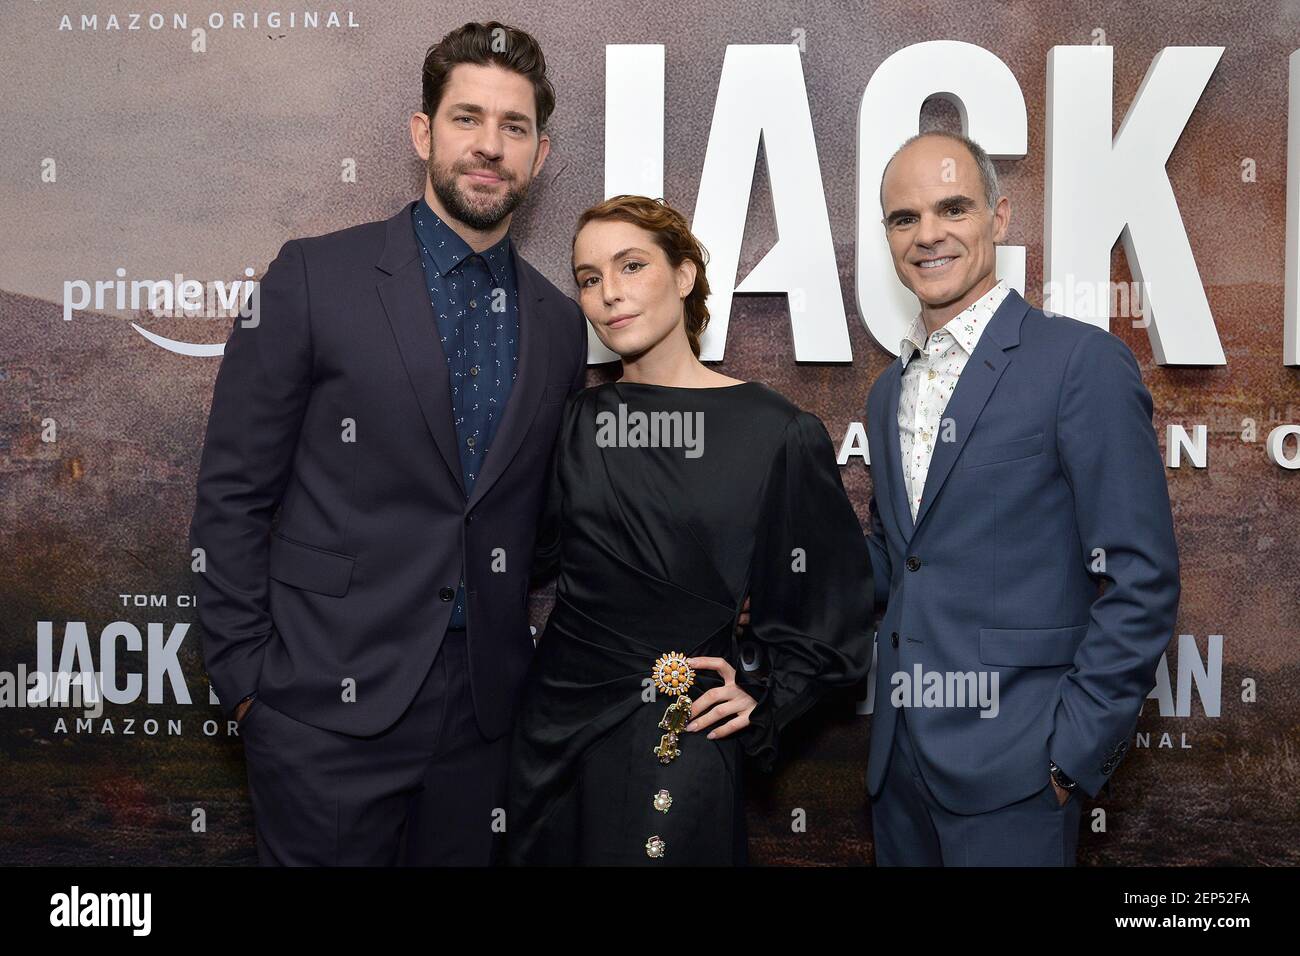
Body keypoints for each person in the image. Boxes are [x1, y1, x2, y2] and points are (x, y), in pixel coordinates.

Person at [189, 21, 587, 865]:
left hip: (483, 723)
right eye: (467, 119)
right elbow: (231, 493)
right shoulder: (312, 277)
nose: (490, 146)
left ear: (540, 154)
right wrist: (249, 686)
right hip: (319, 710)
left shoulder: (559, 324)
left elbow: (535, 522)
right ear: (423, 134)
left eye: (514, 128)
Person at [505, 195, 874, 865]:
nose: (609, 293)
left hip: (676, 732)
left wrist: (765, 696)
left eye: (631, 265)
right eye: (589, 278)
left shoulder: (774, 432)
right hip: (553, 732)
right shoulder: (574, 423)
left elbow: (832, 610)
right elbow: (526, 557)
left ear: (683, 275)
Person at [862, 130, 1181, 865]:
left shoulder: (1079, 363)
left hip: (1018, 773)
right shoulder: (889, 391)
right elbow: (900, 558)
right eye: (904, 219)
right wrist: (783, 564)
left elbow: (1142, 579)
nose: (928, 234)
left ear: (1000, 219)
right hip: (898, 770)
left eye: (953, 209)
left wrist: (1068, 759)